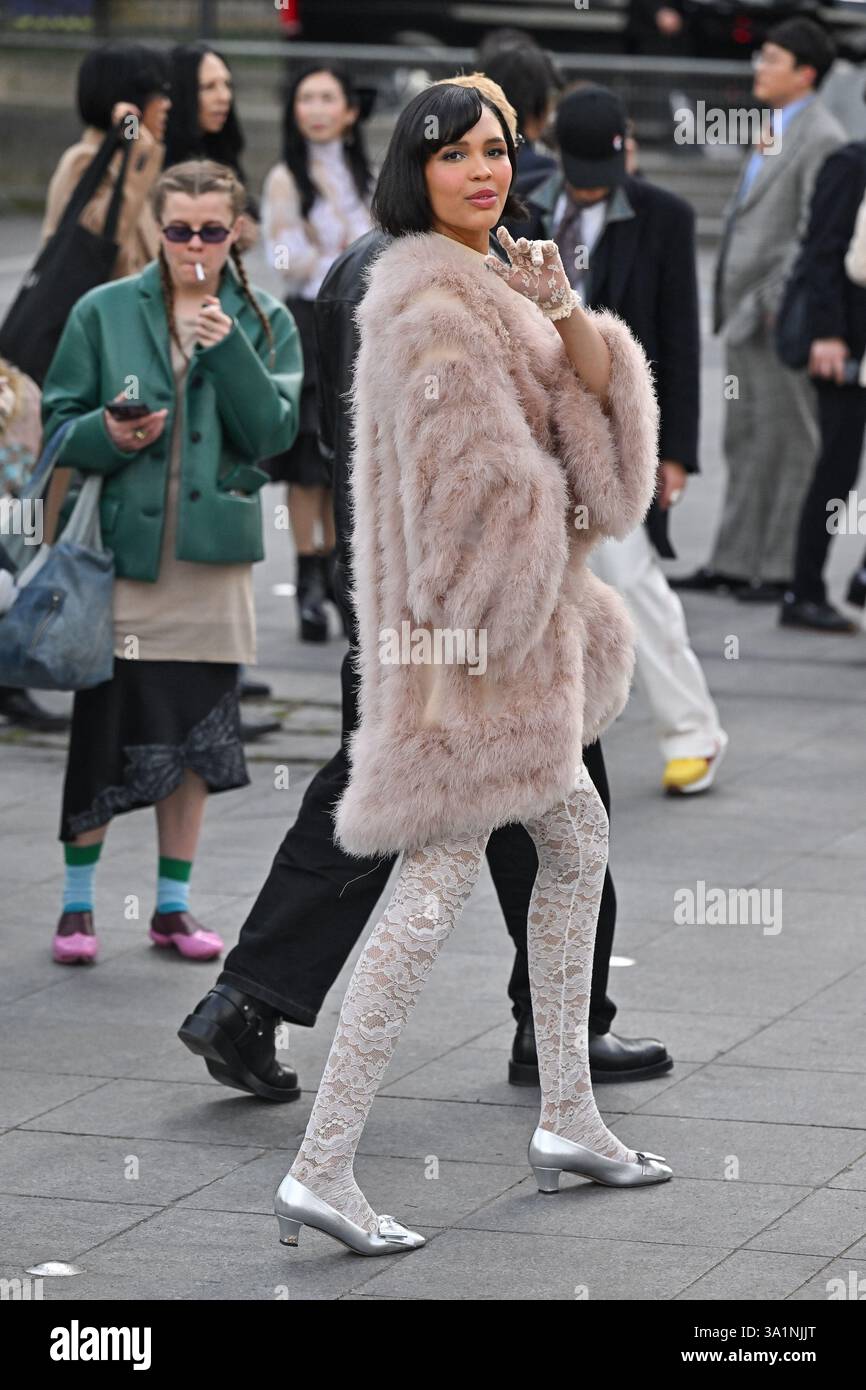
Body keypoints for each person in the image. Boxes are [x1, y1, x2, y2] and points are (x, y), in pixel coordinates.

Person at [178, 77, 673, 1110]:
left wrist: (563, 313)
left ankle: (255, 1002)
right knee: (456, 824)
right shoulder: (418, 288)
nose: (483, 168)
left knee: (433, 812)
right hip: (466, 617)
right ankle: (546, 1034)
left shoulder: (494, 265)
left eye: (495, 148)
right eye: (456, 153)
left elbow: (581, 420)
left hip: (478, 615)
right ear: (415, 167)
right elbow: (466, 484)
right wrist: (516, 587)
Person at [40, 160, 302, 968]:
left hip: (212, 563)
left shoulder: (264, 320)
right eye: (179, 229)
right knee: (105, 729)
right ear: (158, 230)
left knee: (194, 736)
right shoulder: (104, 309)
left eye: (212, 231)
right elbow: (58, 417)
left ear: (238, 232)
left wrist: (229, 356)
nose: (195, 245)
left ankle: (173, 906)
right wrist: (104, 438)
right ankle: (78, 906)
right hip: (123, 558)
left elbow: (277, 433)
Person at [518, 85, 728, 793]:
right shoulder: (525, 204)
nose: (588, 190)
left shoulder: (664, 217)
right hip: (532, 429)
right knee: (538, 587)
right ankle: (548, 737)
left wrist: (675, 453)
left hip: (615, 434)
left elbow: (679, 339)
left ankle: (693, 731)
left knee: (633, 580)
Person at [673, 19, 844, 602]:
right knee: (745, 441)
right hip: (744, 316)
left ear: (805, 73)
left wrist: (768, 303)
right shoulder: (773, 128)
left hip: (774, 317)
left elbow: (812, 234)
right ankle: (732, 558)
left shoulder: (820, 137)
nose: (758, 68)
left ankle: (776, 569)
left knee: (788, 442)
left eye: (772, 58)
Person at [261, 62, 375, 642]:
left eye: (328, 97)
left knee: (344, 457)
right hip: (307, 320)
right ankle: (308, 579)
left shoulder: (370, 175)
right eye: (306, 98)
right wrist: (339, 252)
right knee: (307, 459)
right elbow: (284, 259)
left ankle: (340, 574)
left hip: (362, 320)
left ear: (350, 111)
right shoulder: (286, 178)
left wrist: (336, 251)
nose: (317, 109)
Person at [778, 139, 866, 632]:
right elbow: (823, 252)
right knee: (837, 467)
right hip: (847, 348)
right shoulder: (850, 165)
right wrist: (828, 332)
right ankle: (803, 590)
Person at [42, 40, 171, 282]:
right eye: (158, 92)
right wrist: (134, 138)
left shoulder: (136, 162)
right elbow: (99, 245)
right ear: (131, 100)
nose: (166, 104)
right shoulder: (85, 161)